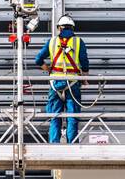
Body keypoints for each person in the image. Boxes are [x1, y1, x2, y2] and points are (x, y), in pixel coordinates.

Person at [34, 14, 89, 143]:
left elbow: (38, 59)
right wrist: (85, 78)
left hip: (55, 84)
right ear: (73, 28)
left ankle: (54, 144)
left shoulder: (52, 42)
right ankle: (72, 145)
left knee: (54, 116)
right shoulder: (78, 42)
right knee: (72, 116)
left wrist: (48, 69)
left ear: (59, 28)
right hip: (73, 82)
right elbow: (84, 62)